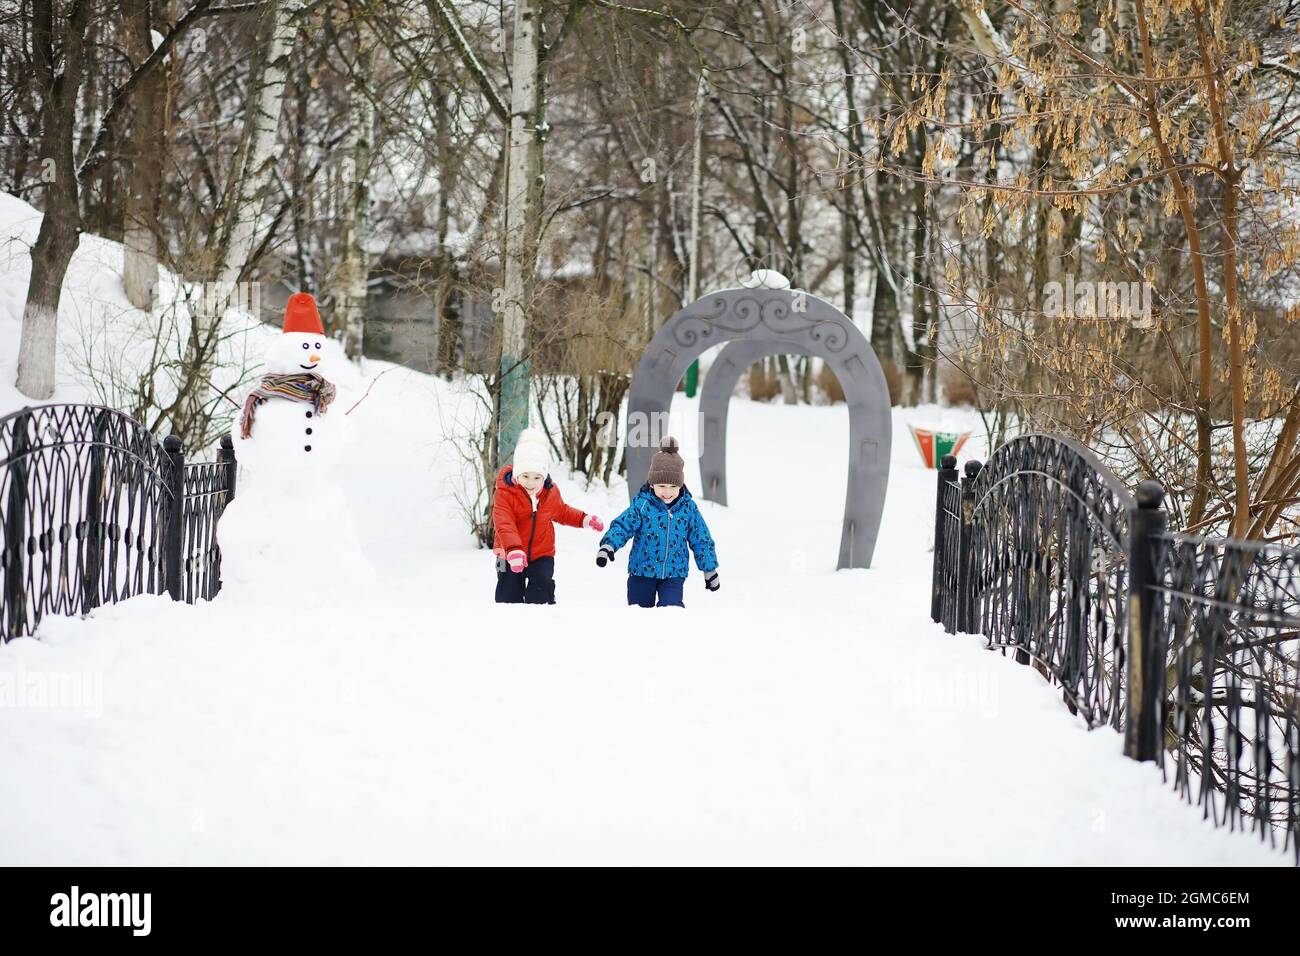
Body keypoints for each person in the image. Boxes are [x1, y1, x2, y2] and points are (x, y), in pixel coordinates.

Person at [596, 436, 719, 608]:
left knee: (671, 612)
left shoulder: (688, 508)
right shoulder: (643, 504)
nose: (667, 492)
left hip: (674, 574)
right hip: (642, 571)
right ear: (652, 484)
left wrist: (709, 569)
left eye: (673, 487)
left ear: (680, 485)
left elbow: (701, 539)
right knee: (639, 613)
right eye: (661, 486)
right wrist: (608, 545)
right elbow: (623, 525)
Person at [492, 428, 603, 604]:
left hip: (541, 553)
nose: (531, 482)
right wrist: (513, 549)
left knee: (541, 593)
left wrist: (585, 519)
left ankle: (542, 623)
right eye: (525, 476)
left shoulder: (549, 492)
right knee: (508, 597)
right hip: (507, 552)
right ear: (516, 474)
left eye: (537, 477)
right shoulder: (505, 493)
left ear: (544, 476)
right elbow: (504, 523)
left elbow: (562, 511)